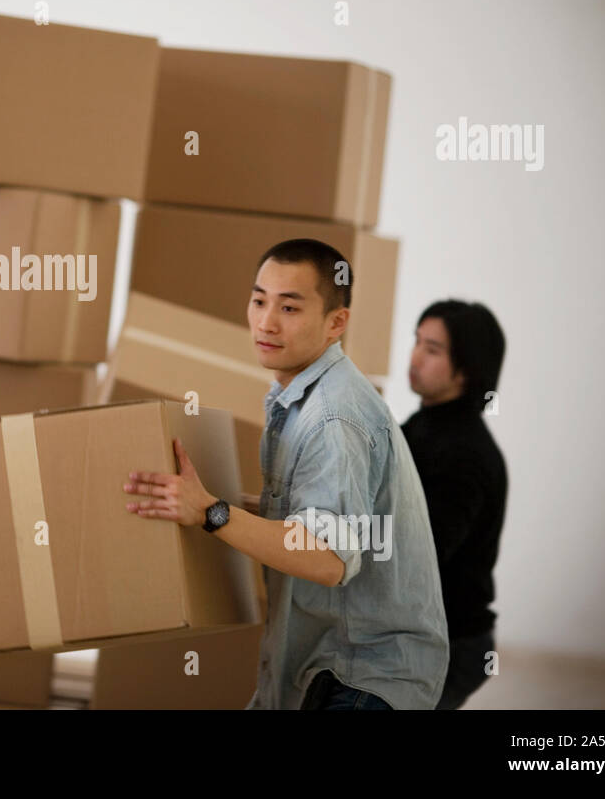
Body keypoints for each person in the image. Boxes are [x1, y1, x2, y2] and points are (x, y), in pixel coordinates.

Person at [125, 238, 449, 709]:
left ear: (336, 322)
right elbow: (310, 521)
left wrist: (213, 514)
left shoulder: (333, 417)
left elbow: (326, 557)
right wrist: (218, 505)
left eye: (290, 308)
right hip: (324, 667)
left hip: (361, 680)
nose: (266, 322)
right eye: (259, 301)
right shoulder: (301, 400)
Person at [403, 300, 507, 709]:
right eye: (417, 341)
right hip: (433, 635)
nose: (414, 357)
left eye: (432, 350)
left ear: (465, 369)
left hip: (454, 644)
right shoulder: (425, 423)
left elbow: (422, 549)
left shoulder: (465, 451)